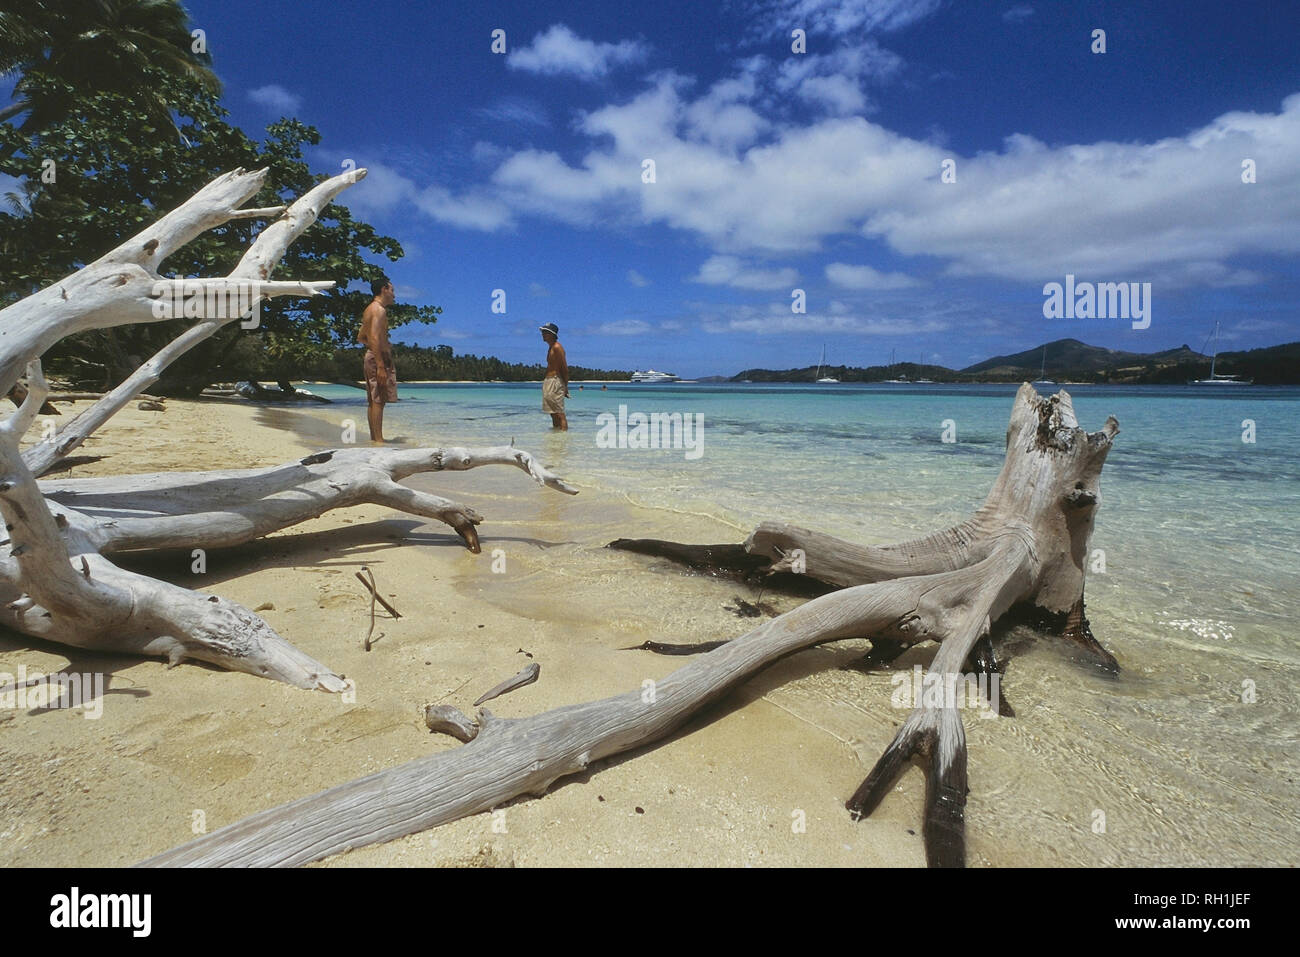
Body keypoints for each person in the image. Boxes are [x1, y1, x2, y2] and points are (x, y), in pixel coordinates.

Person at [359, 276, 397, 442]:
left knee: (374, 400)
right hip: (377, 359)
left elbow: (361, 337)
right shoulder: (379, 310)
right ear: (384, 290)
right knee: (378, 400)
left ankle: (375, 439)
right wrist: (381, 364)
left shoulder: (370, 309)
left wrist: (379, 347)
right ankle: (379, 441)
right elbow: (373, 337)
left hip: (373, 356)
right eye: (392, 290)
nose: (394, 295)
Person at [539, 322, 568, 430]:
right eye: (543, 332)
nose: (543, 334)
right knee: (552, 412)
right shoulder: (550, 347)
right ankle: (556, 439)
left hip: (555, 381)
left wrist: (565, 386)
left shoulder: (557, 347)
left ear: (552, 334)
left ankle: (563, 440)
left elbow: (564, 368)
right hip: (549, 381)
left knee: (559, 413)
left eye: (545, 332)